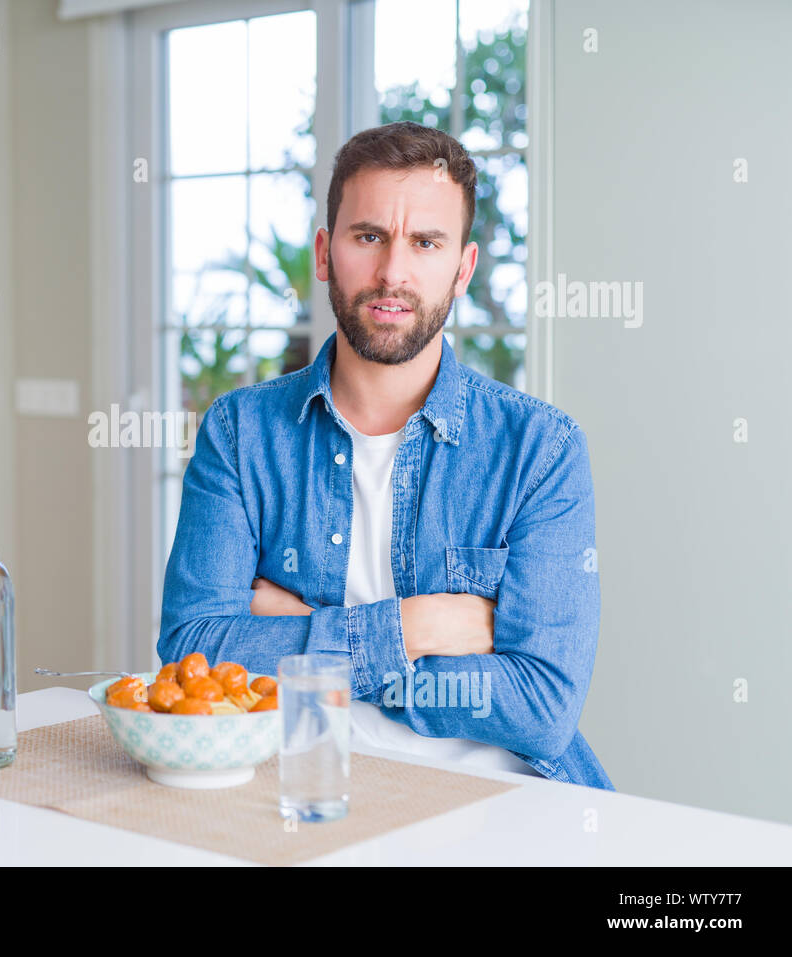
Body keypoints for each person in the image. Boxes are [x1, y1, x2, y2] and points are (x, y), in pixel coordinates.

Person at [158, 121, 613, 790]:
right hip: (300, 785)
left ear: (463, 268)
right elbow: (193, 651)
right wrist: (417, 624)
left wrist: (309, 637)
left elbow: (542, 708)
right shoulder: (240, 432)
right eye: (368, 236)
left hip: (507, 799)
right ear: (324, 252)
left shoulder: (541, 450)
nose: (393, 271)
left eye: (425, 242)